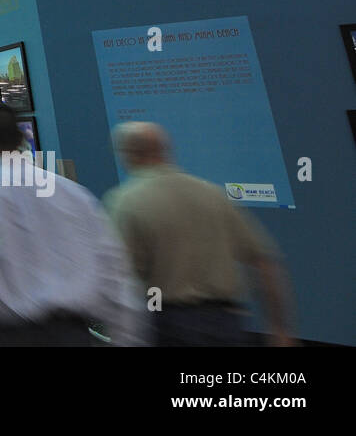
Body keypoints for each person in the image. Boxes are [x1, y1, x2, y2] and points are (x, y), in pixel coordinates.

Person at [0, 103, 145, 346]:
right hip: (75, 335)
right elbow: (114, 274)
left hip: (12, 337)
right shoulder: (74, 194)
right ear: (21, 139)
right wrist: (128, 338)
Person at [106, 122, 294, 346]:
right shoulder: (213, 194)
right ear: (164, 150)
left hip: (169, 324)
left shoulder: (126, 201)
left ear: (128, 154)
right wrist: (280, 328)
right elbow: (264, 261)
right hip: (227, 321)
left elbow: (120, 276)